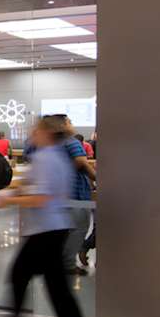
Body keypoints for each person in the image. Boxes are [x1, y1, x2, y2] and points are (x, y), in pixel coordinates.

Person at [0, 115, 90, 317]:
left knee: (49, 290)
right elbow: (30, 187)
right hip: (50, 230)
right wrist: (13, 192)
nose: (32, 132)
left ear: (45, 132)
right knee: (24, 280)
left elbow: (41, 198)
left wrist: (6, 200)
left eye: (36, 128)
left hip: (46, 232)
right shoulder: (53, 157)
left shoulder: (47, 158)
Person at [58, 116, 96, 273]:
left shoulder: (55, 144)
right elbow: (82, 162)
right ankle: (68, 264)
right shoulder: (71, 142)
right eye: (69, 122)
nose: (72, 124)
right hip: (77, 192)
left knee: (66, 229)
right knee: (79, 227)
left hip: (63, 192)